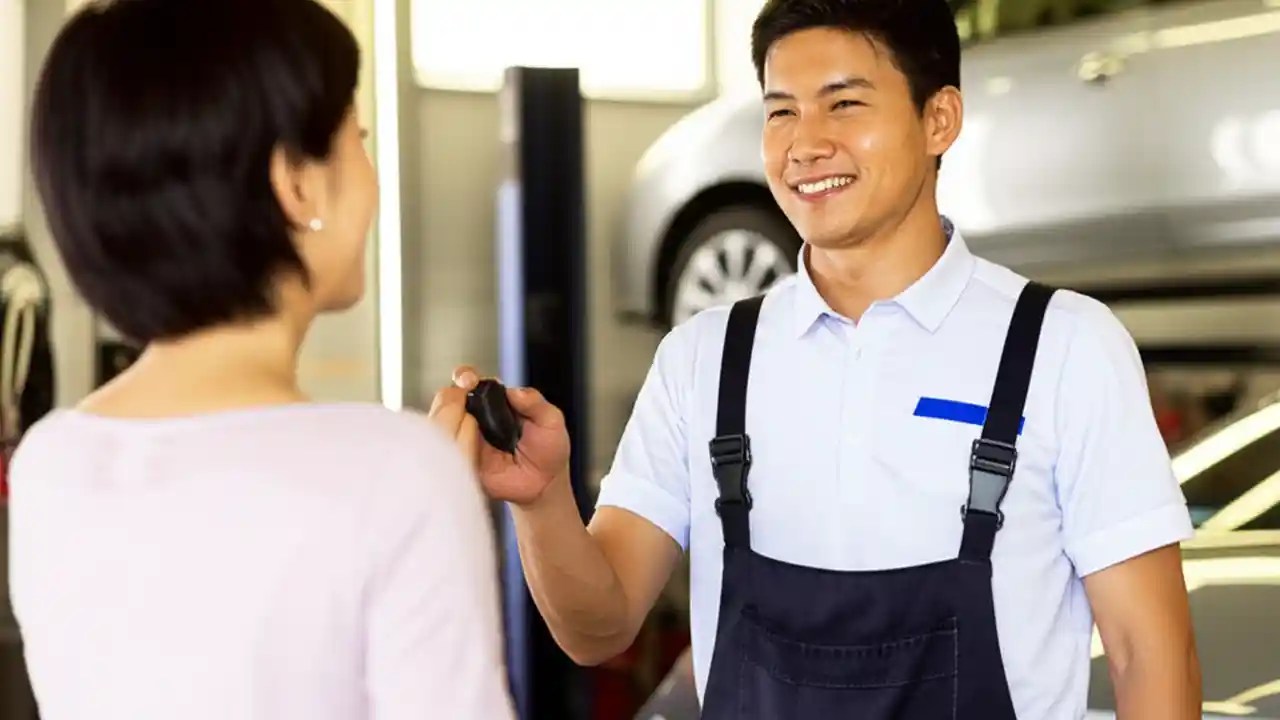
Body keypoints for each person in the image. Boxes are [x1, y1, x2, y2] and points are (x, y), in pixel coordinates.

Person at [430, 0, 1203, 717]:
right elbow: (598, 628)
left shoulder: (1064, 347)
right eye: (780, 112)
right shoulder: (703, 361)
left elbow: (1148, 656)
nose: (806, 143)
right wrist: (541, 501)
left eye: (844, 103)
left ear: (940, 118)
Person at [9, 1, 515, 718]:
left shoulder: (52, 463)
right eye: (358, 140)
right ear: (298, 184)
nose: (370, 177)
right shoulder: (401, 476)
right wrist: (424, 489)